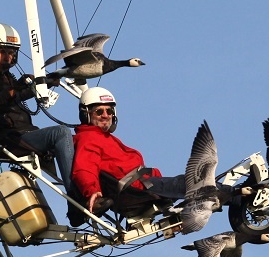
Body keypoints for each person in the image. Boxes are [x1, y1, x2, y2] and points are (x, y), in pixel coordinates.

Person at [0, 23, 74, 188]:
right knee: (61, 132)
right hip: (10, 138)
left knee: (81, 142)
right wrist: (14, 90)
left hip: (25, 133)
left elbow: (16, 96)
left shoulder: (3, 75)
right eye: (2, 52)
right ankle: (76, 195)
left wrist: (40, 85)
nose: (8, 58)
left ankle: (96, 195)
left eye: (11, 53)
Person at [70, 87, 185, 223]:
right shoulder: (89, 138)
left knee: (187, 183)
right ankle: (213, 191)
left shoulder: (105, 138)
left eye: (109, 111)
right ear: (86, 115)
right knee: (193, 182)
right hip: (134, 191)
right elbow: (85, 167)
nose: (106, 115)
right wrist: (92, 192)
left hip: (141, 186)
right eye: (99, 111)